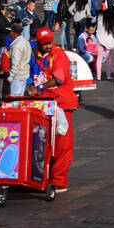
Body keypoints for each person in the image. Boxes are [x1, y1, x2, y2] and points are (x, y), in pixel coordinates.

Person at [28, 27, 78, 193]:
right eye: (44, 44)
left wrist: (39, 88)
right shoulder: (35, 57)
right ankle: (42, 178)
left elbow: (59, 78)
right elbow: (30, 77)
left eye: (49, 42)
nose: (48, 46)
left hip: (61, 103)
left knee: (63, 143)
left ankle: (59, 181)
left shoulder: (59, 55)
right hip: (41, 104)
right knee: (42, 143)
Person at [7, 19, 32, 98]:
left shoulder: (17, 46)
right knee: (20, 96)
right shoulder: (25, 42)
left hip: (17, 75)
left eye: (10, 31)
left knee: (15, 98)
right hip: (24, 73)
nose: (9, 33)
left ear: (14, 33)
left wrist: (11, 76)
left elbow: (16, 63)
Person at [95, 5, 114, 80]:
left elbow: (93, 21)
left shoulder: (100, 15)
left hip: (99, 39)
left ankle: (98, 76)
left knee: (99, 58)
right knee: (108, 59)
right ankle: (108, 75)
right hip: (108, 41)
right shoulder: (112, 20)